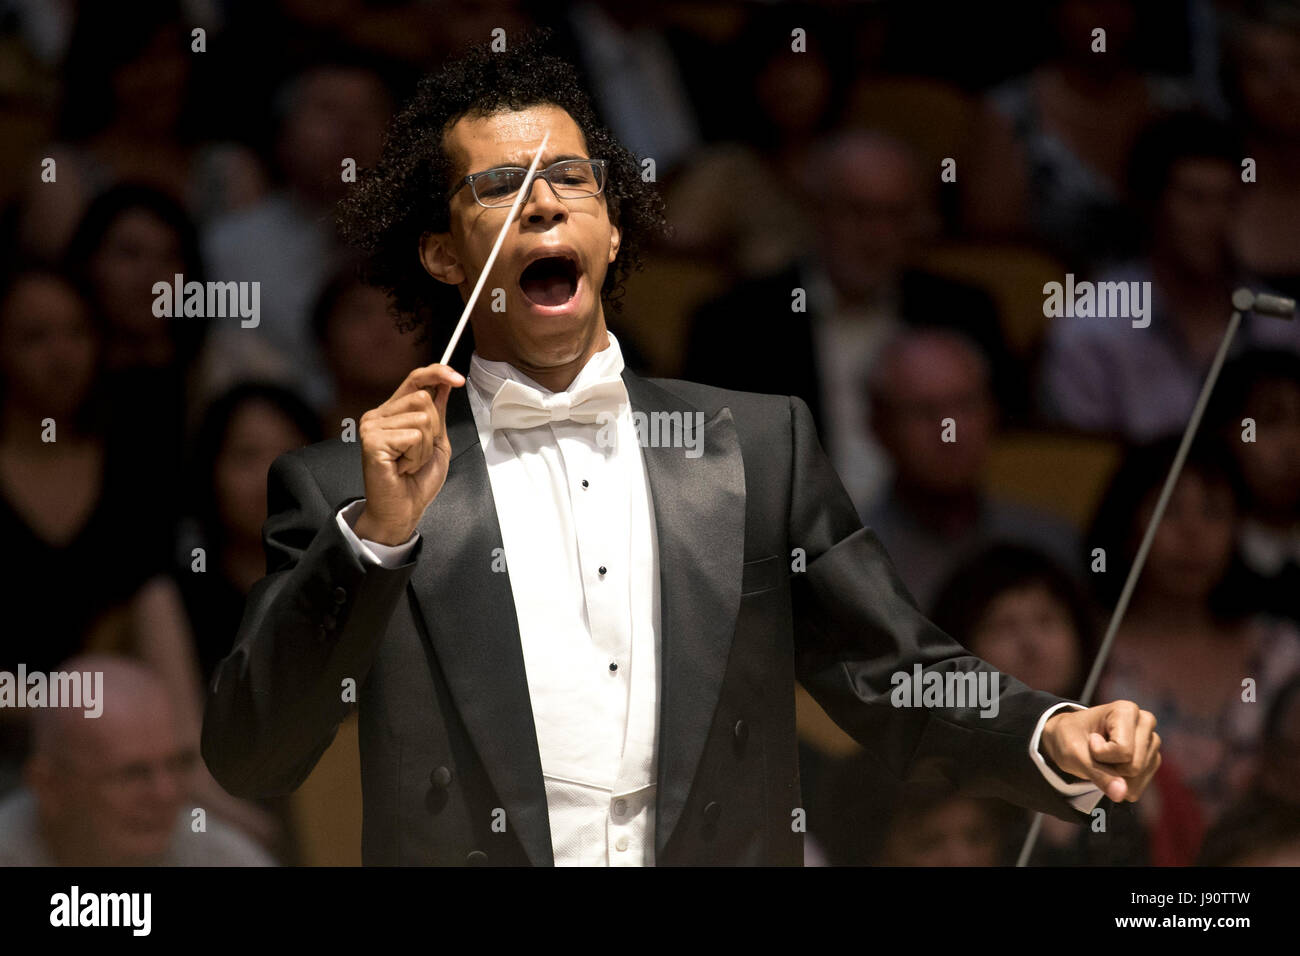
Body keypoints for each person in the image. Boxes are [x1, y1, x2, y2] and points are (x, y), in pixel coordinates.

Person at [202, 33, 1161, 867]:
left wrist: (1048, 729)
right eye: (501, 186)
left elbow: (891, 671)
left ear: (612, 230)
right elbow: (254, 753)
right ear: (445, 256)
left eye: (571, 179)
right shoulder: (345, 492)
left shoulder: (756, 445)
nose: (544, 205)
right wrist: (375, 542)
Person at [0, 654, 274, 866]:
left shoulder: (218, 856)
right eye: (133, 773)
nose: (166, 793)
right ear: (49, 786)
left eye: (176, 764)